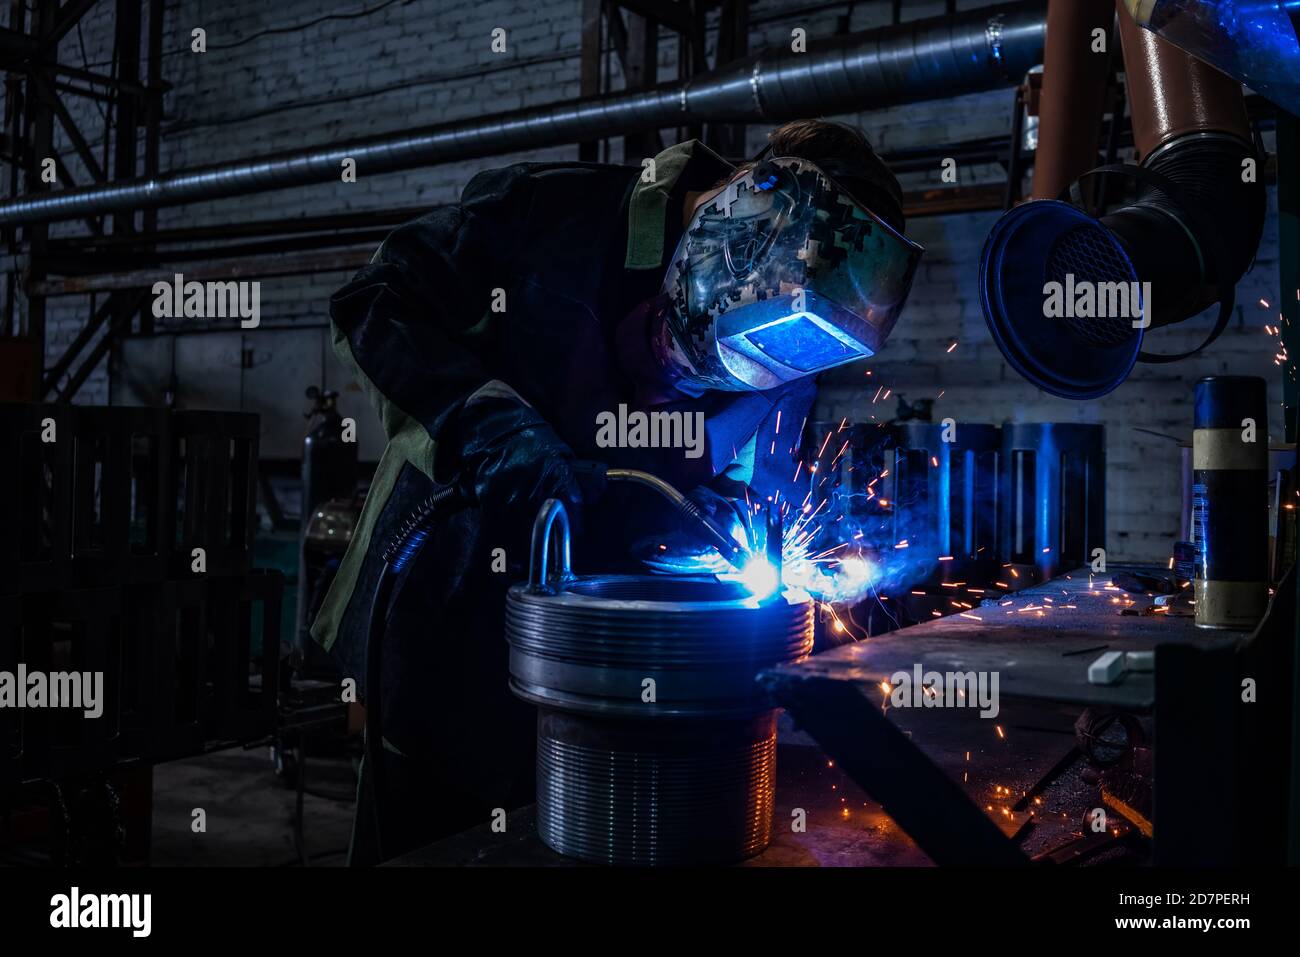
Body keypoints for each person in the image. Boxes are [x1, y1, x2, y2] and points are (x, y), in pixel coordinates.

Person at [311, 119, 921, 863]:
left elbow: (753, 488)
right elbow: (376, 297)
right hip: (445, 624)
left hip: (613, 685)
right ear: (733, 217)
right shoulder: (547, 213)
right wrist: (483, 420)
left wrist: (721, 522)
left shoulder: (795, 346)